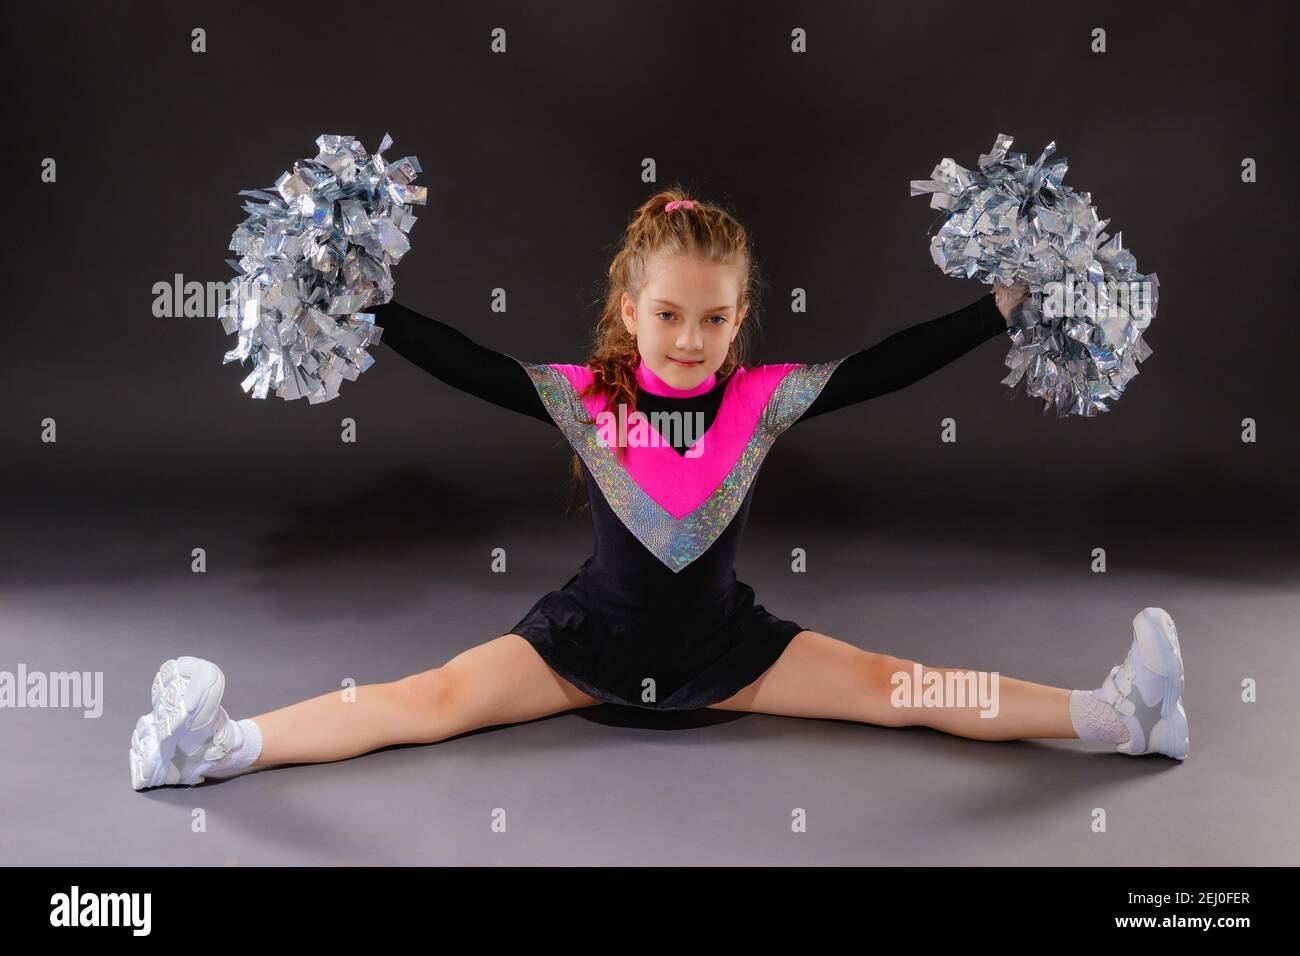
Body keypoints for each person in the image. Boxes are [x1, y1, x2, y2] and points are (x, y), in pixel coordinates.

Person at [129, 189, 1188, 789]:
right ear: (629, 310)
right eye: (670, 314)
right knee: (432, 698)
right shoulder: (586, 398)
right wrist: (377, 308)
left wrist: (1000, 305)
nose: (691, 339)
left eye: (715, 318)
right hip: (585, 648)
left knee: (904, 687)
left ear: (740, 319)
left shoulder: (764, 398)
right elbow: (470, 362)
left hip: (731, 652)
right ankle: (219, 745)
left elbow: (889, 363)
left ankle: (1119, 716)